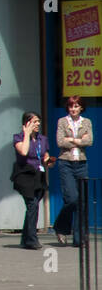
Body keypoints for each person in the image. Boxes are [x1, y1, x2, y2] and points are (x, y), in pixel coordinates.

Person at [12, 111, 54, 250]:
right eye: (34, 121)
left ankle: (25, 239)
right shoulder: (18, 137)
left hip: (38, 175)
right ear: (26, 123)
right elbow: (24, 151)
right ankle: (31, 239)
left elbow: (45, 155)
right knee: (32, 204)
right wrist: (27, 135)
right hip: (24, 174)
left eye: (38, 121)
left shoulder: (43, 139)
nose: (37, 124)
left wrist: (48, 161)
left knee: (33, 206)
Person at [55, 96, 91, 246]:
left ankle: (79, 238)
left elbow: (89, 141)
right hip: (66, 162)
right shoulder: (62, 122)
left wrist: (71, 139)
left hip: (81, 163)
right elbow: (59, 141)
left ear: (81, 107)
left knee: (82, 202)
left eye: (76, 106)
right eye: (71, 106)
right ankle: (60, 226)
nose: (73, 109)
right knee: (72, 199)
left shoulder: (87, 122)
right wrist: (79, 140)